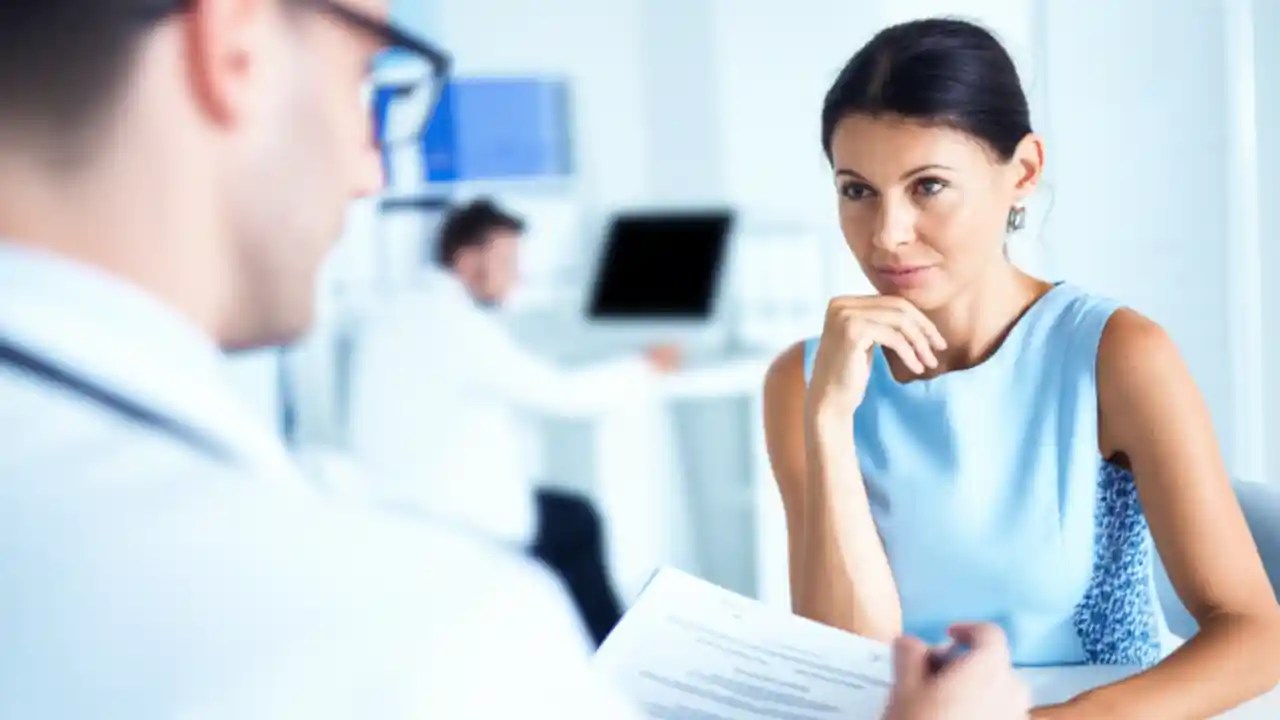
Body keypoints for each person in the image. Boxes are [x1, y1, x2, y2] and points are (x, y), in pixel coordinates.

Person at [0, 0, 1029, 717]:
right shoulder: (426, 636)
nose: (370, 167)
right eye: (371, 79)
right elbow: (553, 395)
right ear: (234, 52)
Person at [762, 17, 1280, 719]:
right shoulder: (804, 379)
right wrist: (827, 421)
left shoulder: (1116, 355)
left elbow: (1255, 635)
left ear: (1024, 173)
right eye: (858, 191)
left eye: (929, 186)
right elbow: (852, 665)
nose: (887, 235)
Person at [350, 197, 679, 645]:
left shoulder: (400, 312)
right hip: (460, 521)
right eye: (507, 260)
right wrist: (646, 368)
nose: (517, 275)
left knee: (566, 517)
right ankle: (618, 663)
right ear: (467, 261)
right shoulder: (453, 323)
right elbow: (563, 396)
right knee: (578, 523)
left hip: (398, 511)